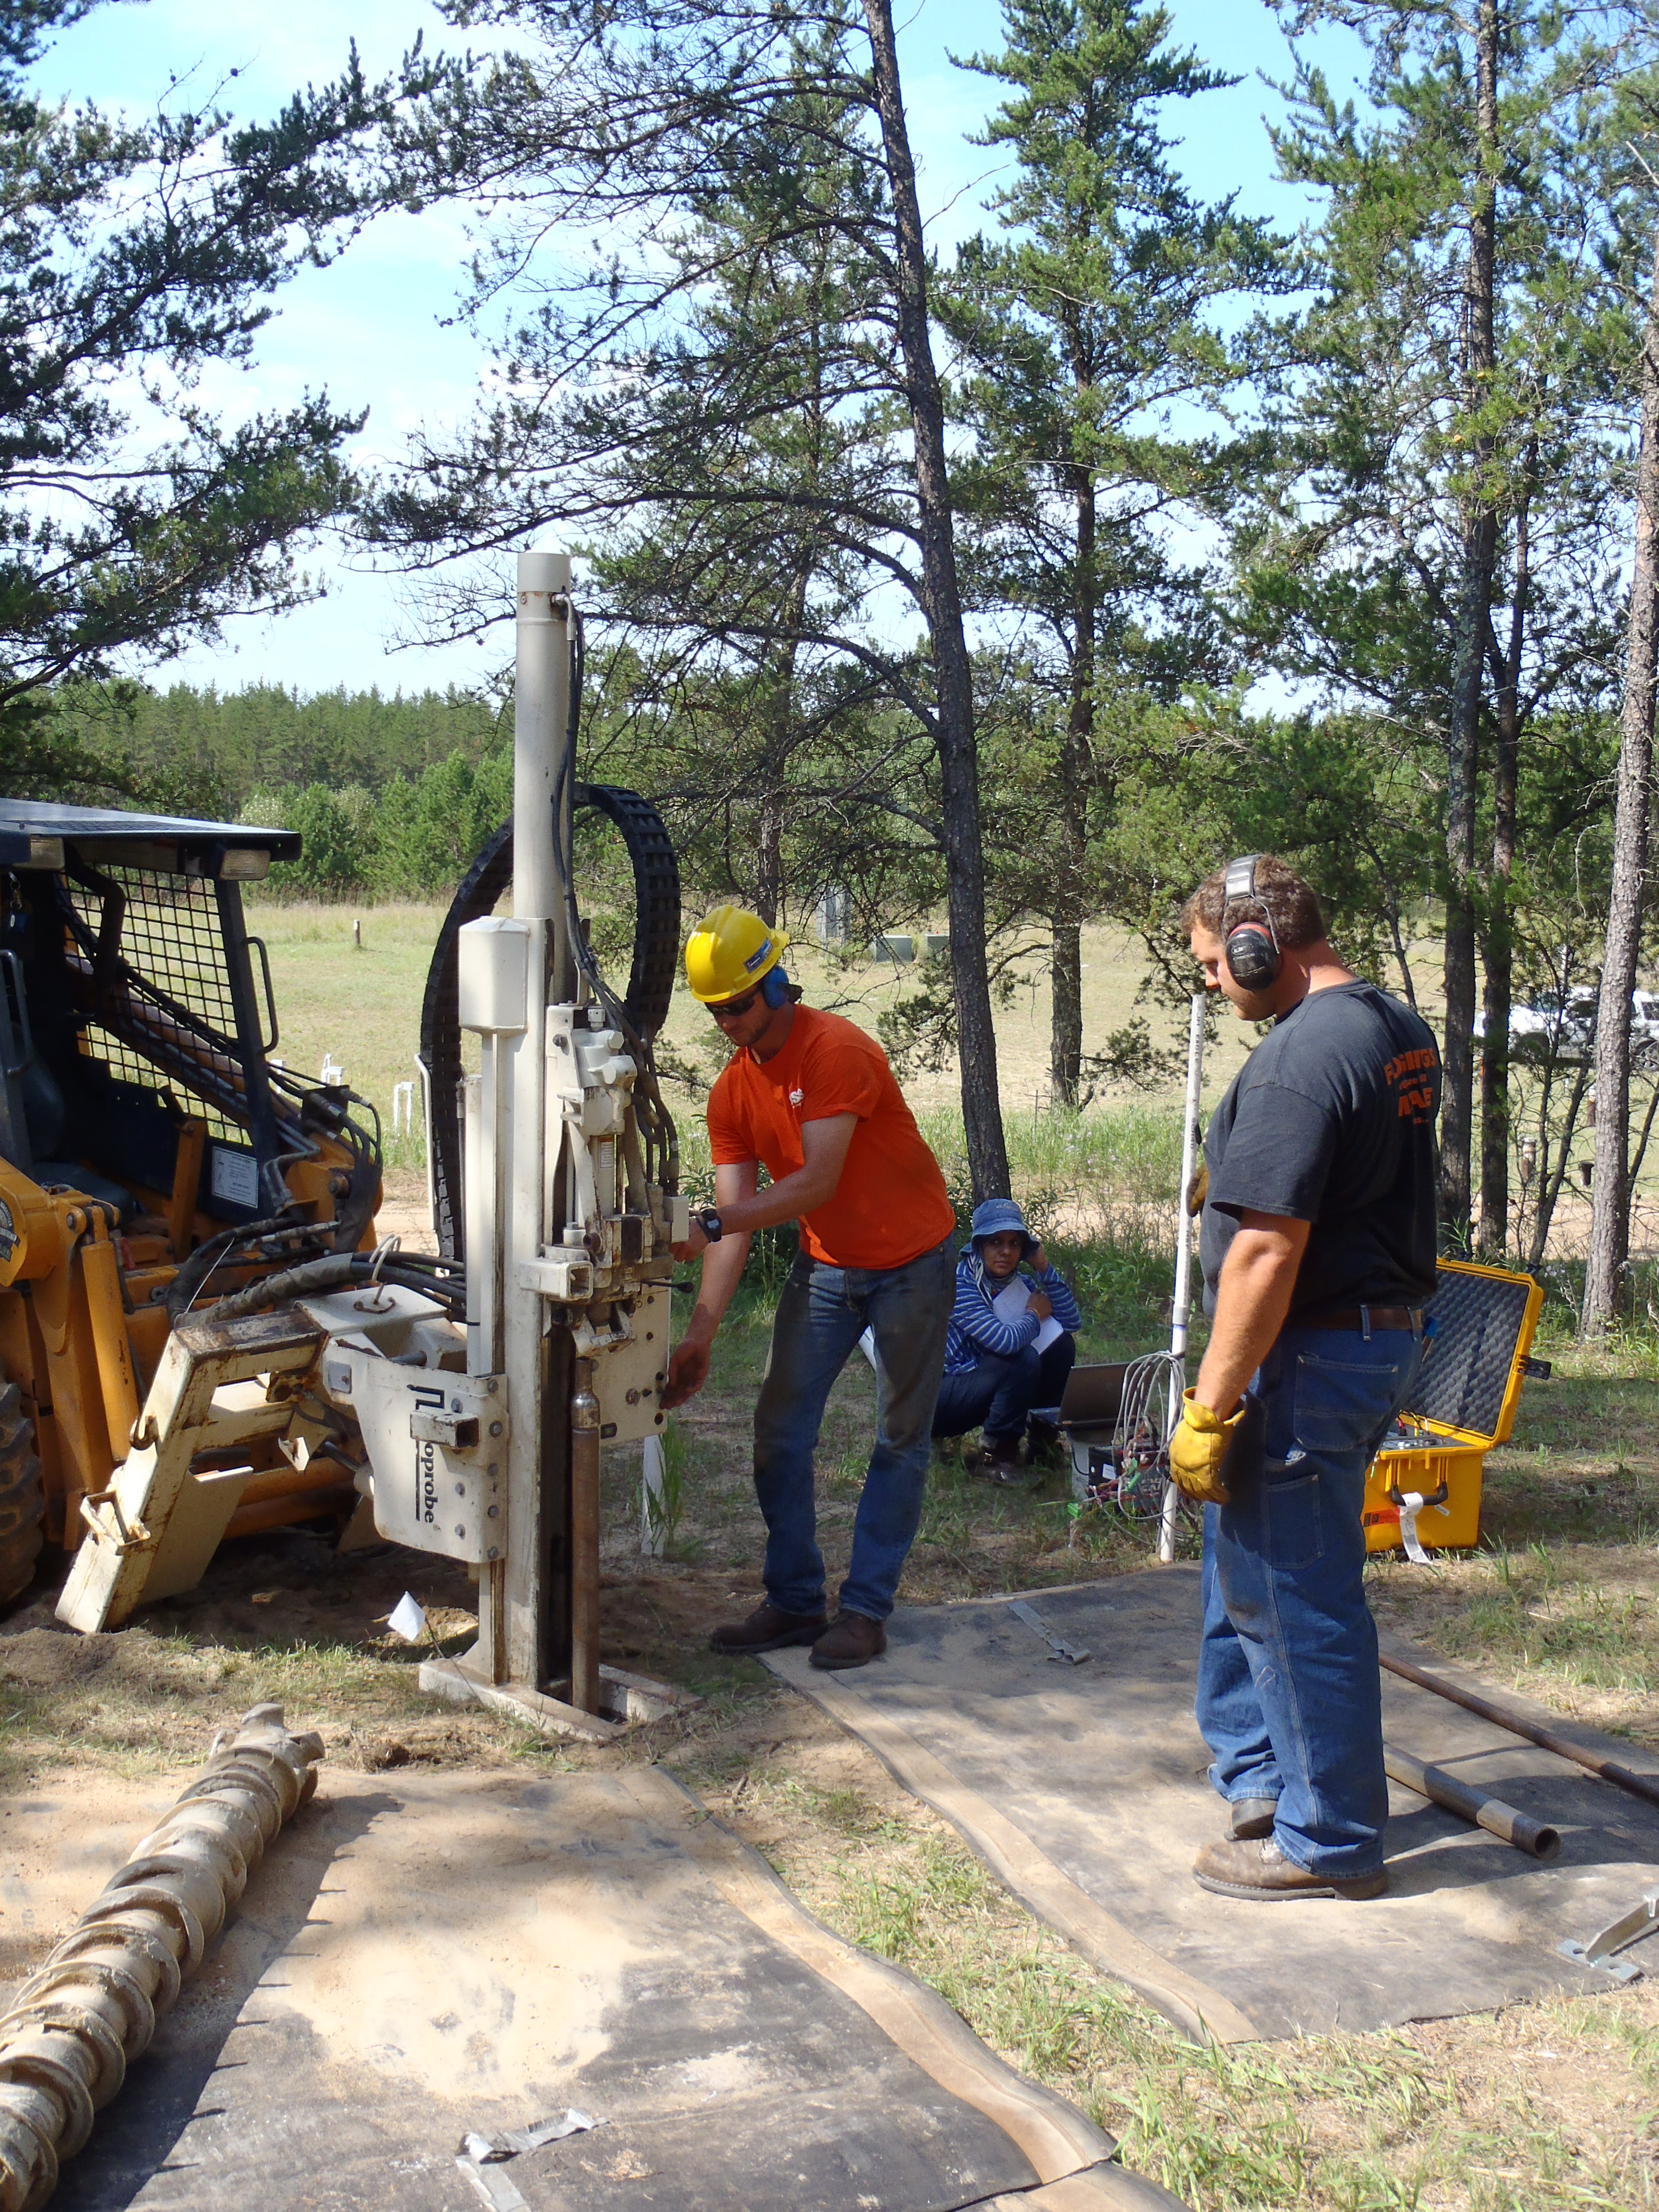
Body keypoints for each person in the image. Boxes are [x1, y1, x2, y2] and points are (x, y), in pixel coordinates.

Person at [1167, 854, 1440, 1902]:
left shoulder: (1298, 1060)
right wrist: (1244, 1164)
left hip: (1310, 1351)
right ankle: (1259, 1775)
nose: (1210, 982)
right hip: (1365, 1338)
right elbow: (1343, 1169)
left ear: (1256, 945)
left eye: (1211, 964)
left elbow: (1267, 1257)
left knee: (1295, 1590)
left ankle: (1327, 1835)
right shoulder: (1386, 1025)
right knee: (1248, 1560)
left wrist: (1208, 1405)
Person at [662, 904, 956, 1671]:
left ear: (776, 983)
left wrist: (713, 1224)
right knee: (779, 1436)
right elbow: (737, 1220)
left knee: (900, 1438)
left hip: (911, 1265)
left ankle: (863, 1611)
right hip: (827, 1270)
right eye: (715, 1010)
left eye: (738, 1004)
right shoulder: (731, 1095)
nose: (728, 1021)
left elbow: (815, 1182)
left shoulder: (837, 1051)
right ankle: (795, 1601)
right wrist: (701, 1331)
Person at [932, 1198, 1079, 1482]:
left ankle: (1043, 1442)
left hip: (981, 1384)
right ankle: (996, 1455)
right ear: (979, 1247)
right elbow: (1005, 1342)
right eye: (996, 1242)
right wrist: (1034, 1314)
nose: (1005, 1252)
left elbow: (1071, 1323)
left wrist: (1043, 1267)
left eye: (1014, 1244)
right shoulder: (960, 1285)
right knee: (1020, 1359)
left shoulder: (1019, 1283)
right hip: (942, 1398)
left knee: (1061, 1347)